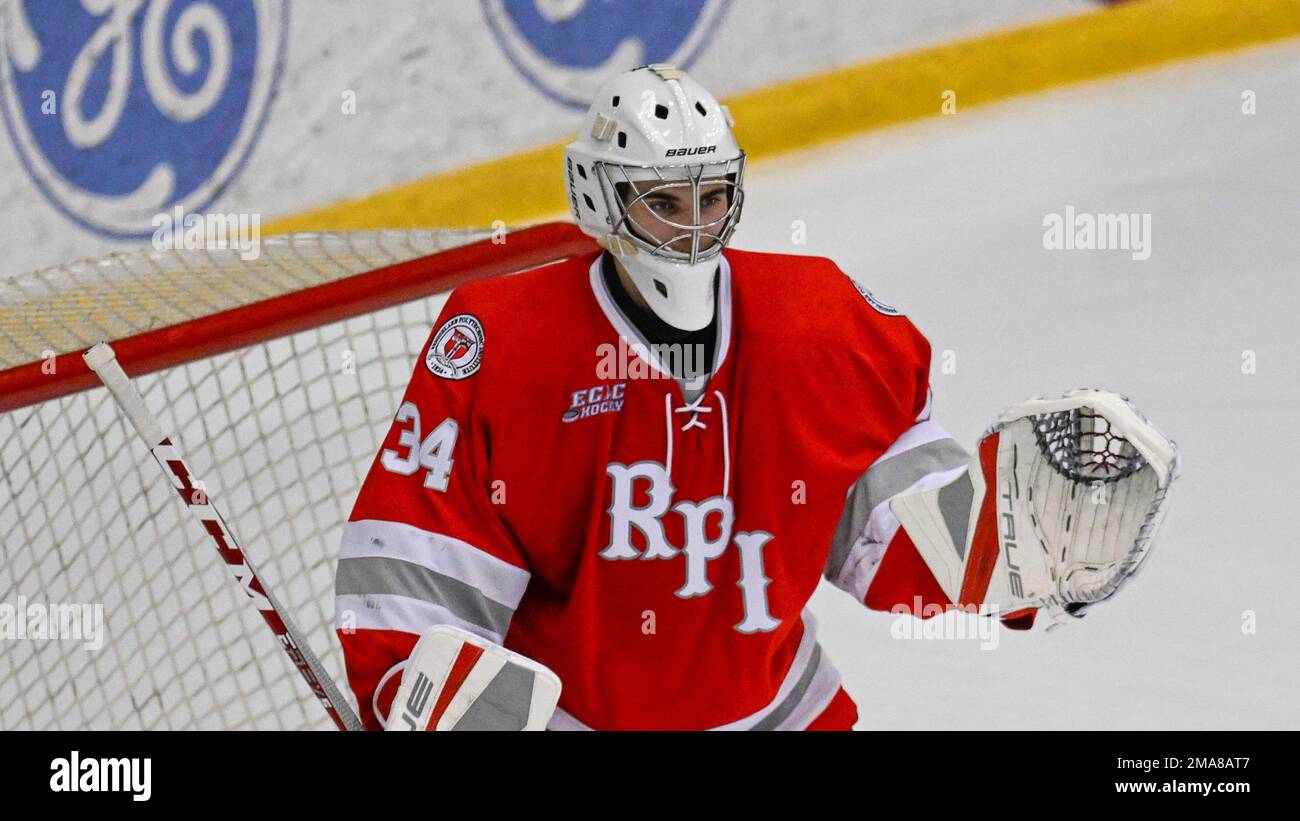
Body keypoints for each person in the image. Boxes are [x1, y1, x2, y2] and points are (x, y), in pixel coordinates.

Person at [333, 65, 1177, 731]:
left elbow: (887, 537)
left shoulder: (815, 328)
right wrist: (413, 686)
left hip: (780, 715)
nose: (694, 226)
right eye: (663, 203)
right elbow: (421, 567)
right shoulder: (510, 346)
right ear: (599, 198)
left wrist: (1006, 551)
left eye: (711, 196)